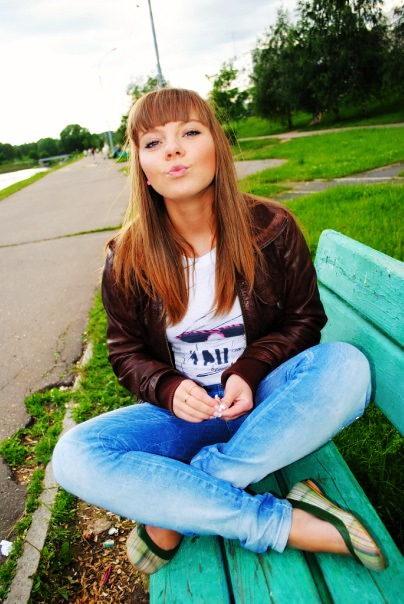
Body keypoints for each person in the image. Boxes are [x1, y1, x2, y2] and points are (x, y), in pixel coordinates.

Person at [52, 88, 385, 575]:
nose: (173, 149)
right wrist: (169, 387)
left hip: (265, 401)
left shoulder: (272, 228)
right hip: (183, 416)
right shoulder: (126, 257)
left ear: (216, 146)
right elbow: (125, 352)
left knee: (347, 367)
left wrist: (249, 371)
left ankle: (186, 497)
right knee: (74, 454)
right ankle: (279, 522)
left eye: (189, 132)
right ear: (142, 167)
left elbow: (305, 319)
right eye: (153, 142)